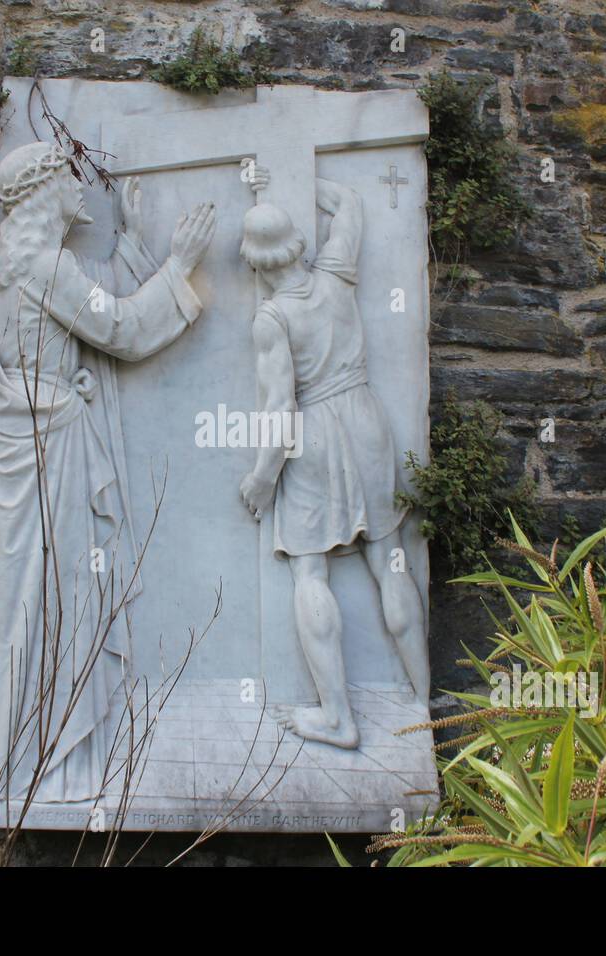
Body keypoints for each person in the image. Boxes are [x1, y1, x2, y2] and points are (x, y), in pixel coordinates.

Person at [0, 142, 216, 824]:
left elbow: (85, 310)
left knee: (26, 610)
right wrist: (180, 267)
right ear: (43, 192)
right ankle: (56, 770)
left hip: (14, 464)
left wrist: (129, 239)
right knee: (55, 601)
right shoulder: (45, 267)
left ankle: (18, 760)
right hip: (49, 465)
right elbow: (120, 327)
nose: (79, 187)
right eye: (69, 178)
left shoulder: (8, 268)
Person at [237, 169, 428, 748]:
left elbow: (280, 410)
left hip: (314, 437)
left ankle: (338, 718)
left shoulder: (272, 318)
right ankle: (422, 699)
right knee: (389, 557)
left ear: (255, 264)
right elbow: (350, 197)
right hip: (366, 419)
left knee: (309, 570)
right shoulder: (336, 274)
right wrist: (299, 179)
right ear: (296, 244)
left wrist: (262, 479)